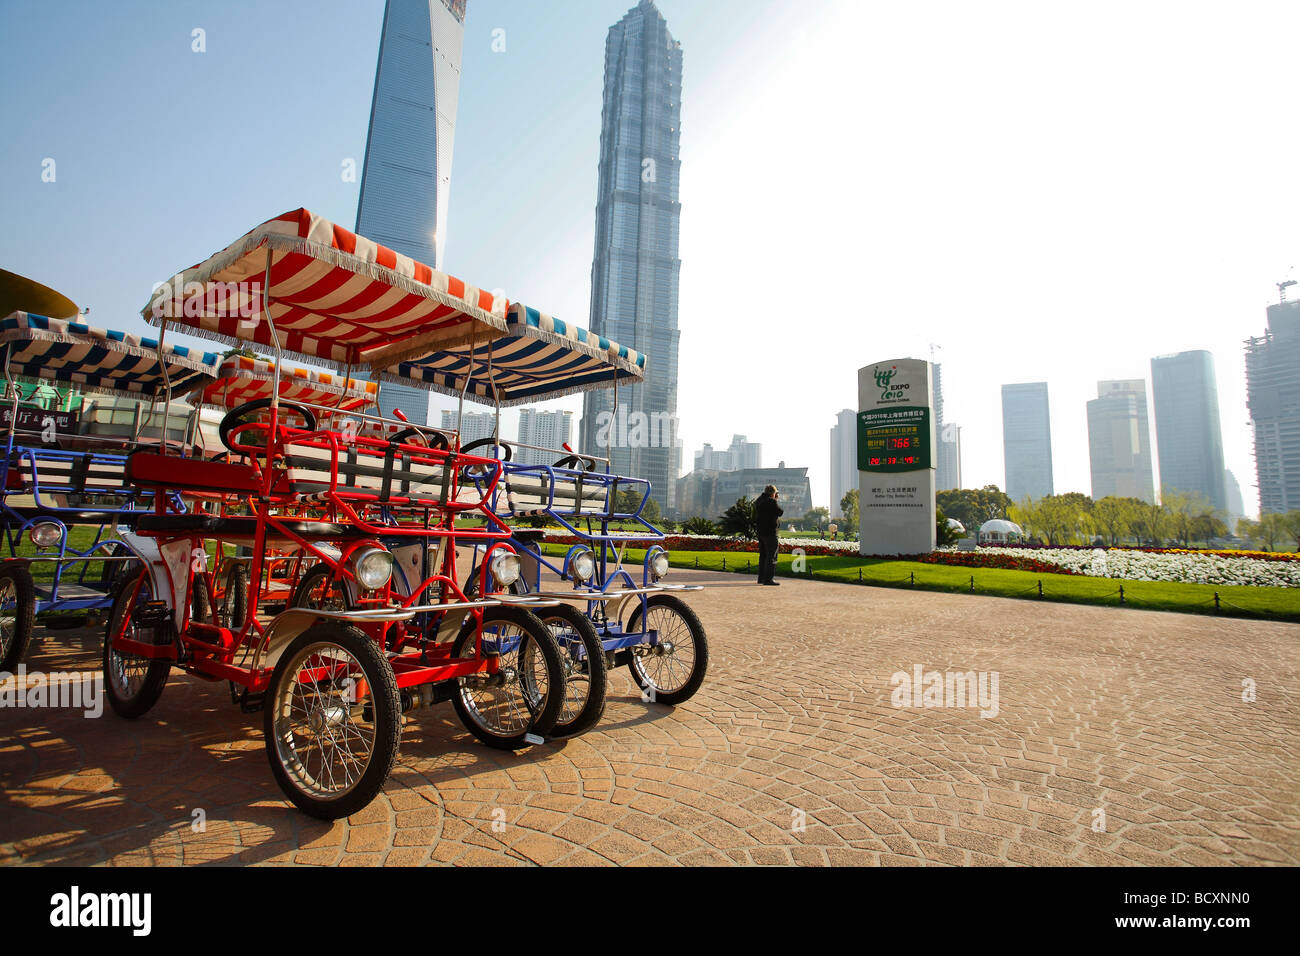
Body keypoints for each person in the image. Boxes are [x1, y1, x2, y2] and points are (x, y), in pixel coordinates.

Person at [754, 485, 783, 586]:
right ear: (773, 493)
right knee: (772, 555)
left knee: (763, 556)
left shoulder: (759, 500)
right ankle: (768, 579)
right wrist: (775, 499)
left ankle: (761, 578)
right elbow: (780, 512)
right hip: (770, 532)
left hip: (761, 532)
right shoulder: (771, 501)